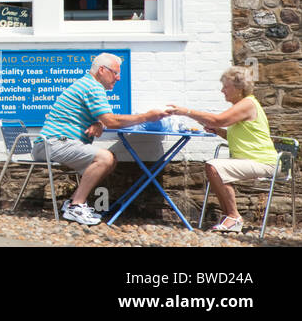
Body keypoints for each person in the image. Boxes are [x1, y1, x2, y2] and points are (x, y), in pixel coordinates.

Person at [32, 52, 169, 225]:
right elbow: (111, 121)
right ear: (102, 70)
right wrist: (147, 117)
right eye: (115, 73)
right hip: (52, 144)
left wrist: (99, 124)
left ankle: (72, 204)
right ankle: (76, 206)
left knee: (110, 160)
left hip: (53, 143)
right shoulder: (93, 87)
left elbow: (104, 119)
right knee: (105, 157)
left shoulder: (87, 84)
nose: (118, 78)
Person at [168, 66, 279, 233]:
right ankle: (230, 217)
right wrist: (219, 132)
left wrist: (185, 111)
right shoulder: (244, 105)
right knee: (215, 167)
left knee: (214, 167)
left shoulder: (247, 104)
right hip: (252, 160)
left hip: (264, 162)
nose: (222, 90)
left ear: (239, 88)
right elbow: (238, 136)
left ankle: (233, 217)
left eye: (225, 87)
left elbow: (218, 119)